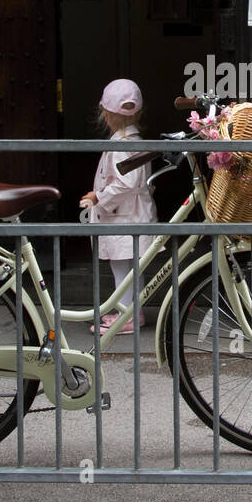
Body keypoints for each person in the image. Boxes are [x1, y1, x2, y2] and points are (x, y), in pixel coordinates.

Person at [80, 78, 157, 335]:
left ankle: (127, 317)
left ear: (106, 113)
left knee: (122, 270)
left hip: (123, 218)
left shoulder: (121, 145)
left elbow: (125, 184)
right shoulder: (133, 141)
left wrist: (98, 197)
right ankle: (132, 313)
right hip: (130, 216)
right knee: (131, 270)